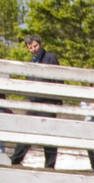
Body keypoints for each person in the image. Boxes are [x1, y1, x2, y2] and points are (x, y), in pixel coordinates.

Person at [10, 35, 60, 170]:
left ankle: (50, 165)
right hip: (34, 102)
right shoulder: (31, 62)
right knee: (27, 131)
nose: (33, 49)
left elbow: (58, 80)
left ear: (40, 44)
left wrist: (55, 101)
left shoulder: (50, 58)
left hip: (48, 102)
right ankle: (16, 159)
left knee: (48, 134)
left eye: (35, 46)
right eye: (30, 47)